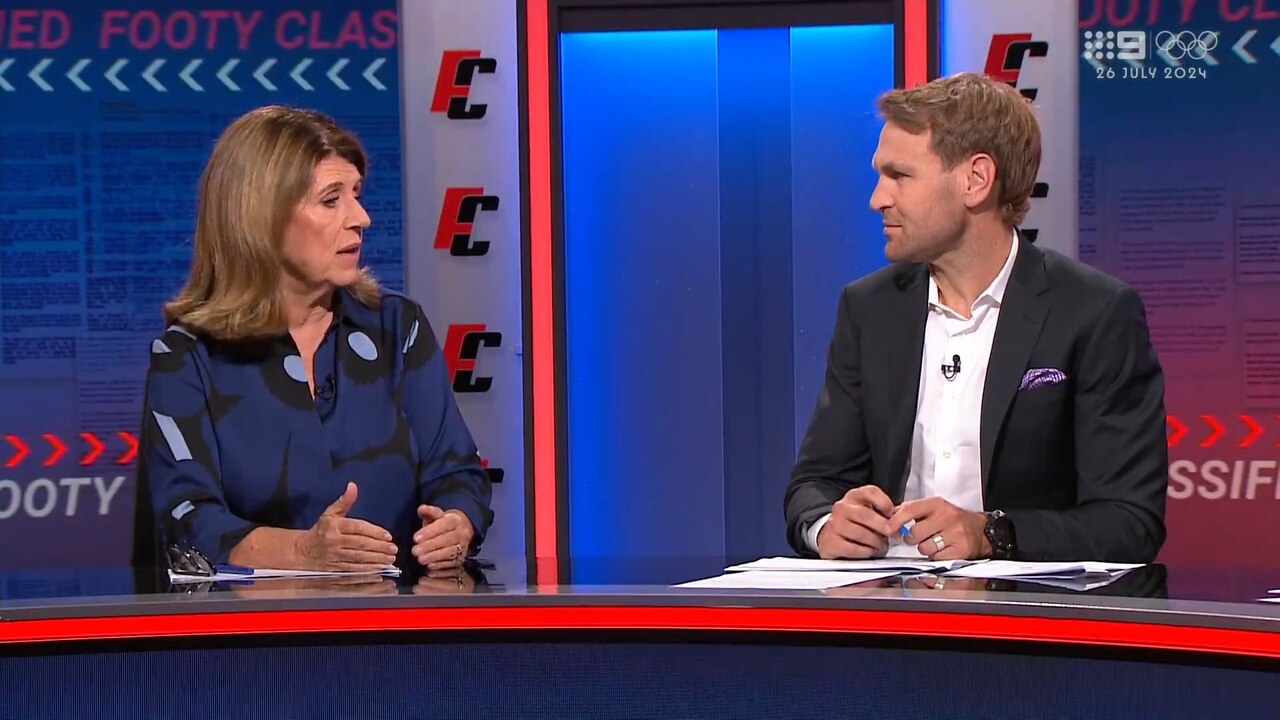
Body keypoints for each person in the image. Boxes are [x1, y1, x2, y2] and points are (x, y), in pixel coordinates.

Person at [783, 72, 1168, 563]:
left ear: (976, 180)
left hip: (1021, 606)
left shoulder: (1093, 312)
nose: (877, 199)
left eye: (900, 176)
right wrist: (825, 525)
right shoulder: (869, 309)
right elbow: (815, 482)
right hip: (887, 599)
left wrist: (991, 533)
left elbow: (1129, 522)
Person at [136, 105, 493, 574]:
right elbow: (187, 519)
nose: (361, 217)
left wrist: (457, 522)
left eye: (356, 194)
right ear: (262, 218)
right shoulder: (188, 357)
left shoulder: (397, 328)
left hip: (400, 615)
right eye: (331, 200)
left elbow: (458, 472)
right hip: (255, 620)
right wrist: (305, 553)